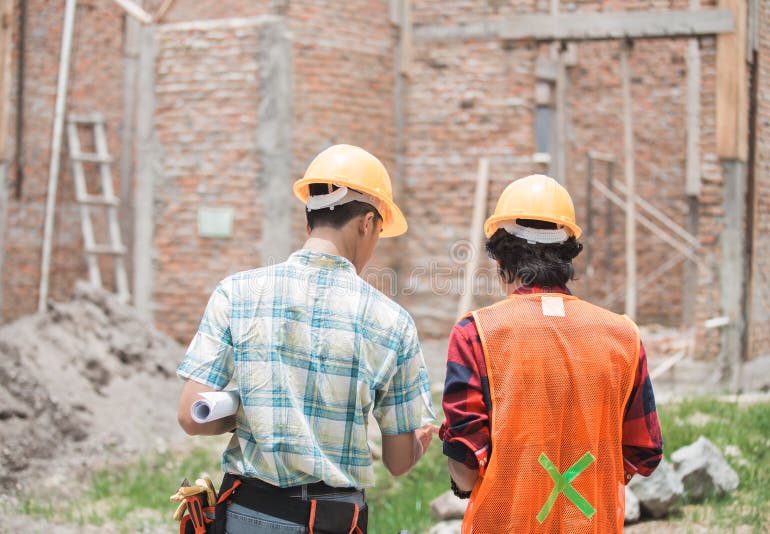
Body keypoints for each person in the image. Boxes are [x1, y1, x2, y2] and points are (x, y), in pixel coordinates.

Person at [176, 144, 436, 534]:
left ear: (309, 219)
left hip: (248, 512)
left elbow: (191, 416)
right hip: (333, 520)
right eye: (379, 230)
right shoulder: (392, 322)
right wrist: (419, 439)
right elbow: (398, 461)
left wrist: (255, 411)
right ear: (367, 223)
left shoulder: (237, 293)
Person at [439, 174, 663, 533]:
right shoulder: (624, 337)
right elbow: (643, 451)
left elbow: (465, 471)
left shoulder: (476, 335)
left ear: (500, 261)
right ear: (568, 256)